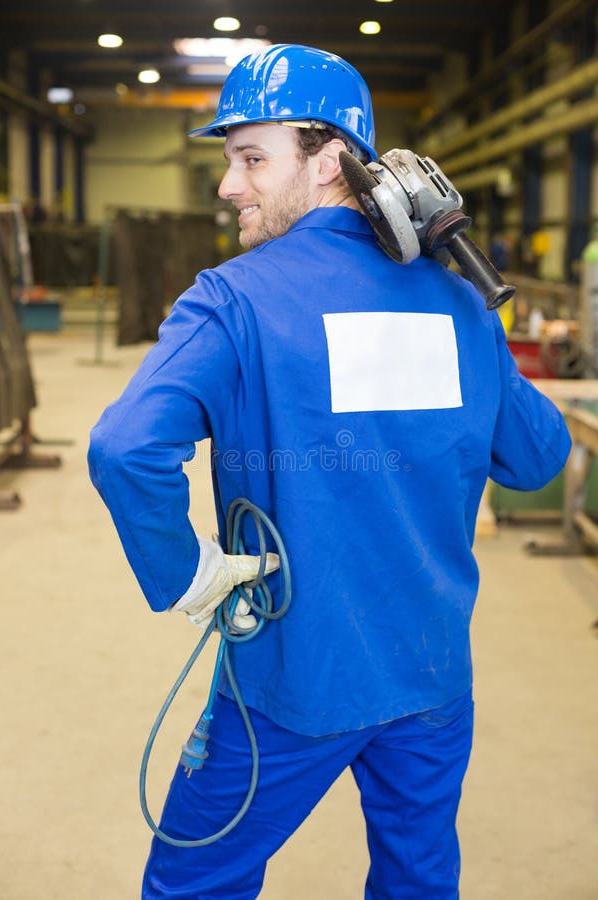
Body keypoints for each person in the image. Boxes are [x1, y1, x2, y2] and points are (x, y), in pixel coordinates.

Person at [88, 43, 571, 900]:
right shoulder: (456, 300)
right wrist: (473, 326)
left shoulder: (232, 299)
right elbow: (537, 458)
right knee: (418, 884)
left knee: (194, 885)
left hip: (290, 682)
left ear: (331, 162)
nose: (230, 185)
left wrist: (185, 569)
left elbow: (126, 448)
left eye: (252, 159)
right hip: (429, 678)